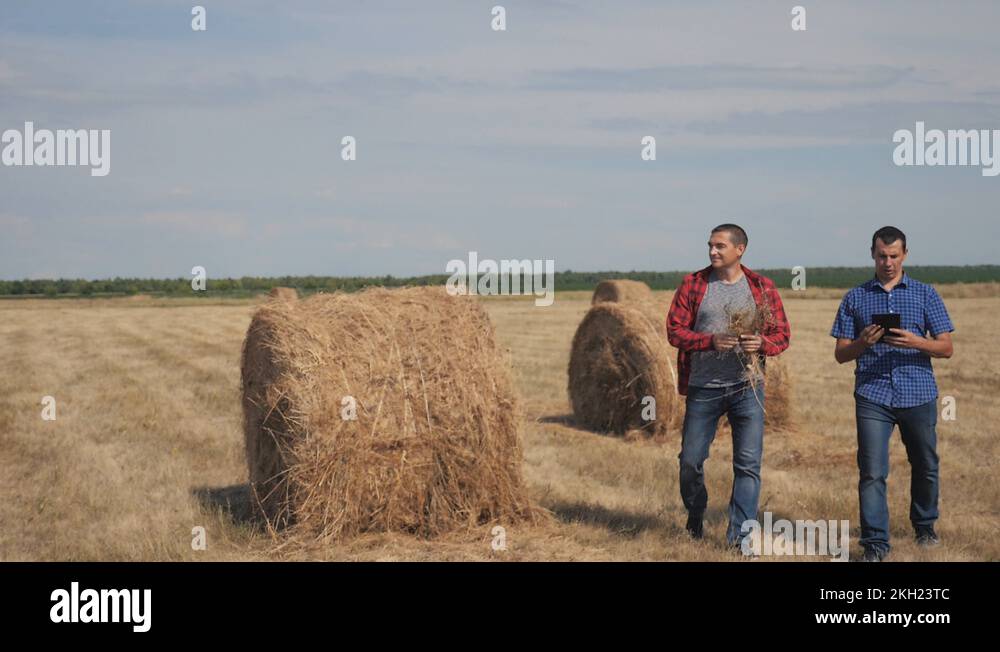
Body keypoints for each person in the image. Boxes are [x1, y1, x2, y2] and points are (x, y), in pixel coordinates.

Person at [831, 226, 954, 561]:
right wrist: (863, 343)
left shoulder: (926, 293)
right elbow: (841, 354)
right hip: (873, 394)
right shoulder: (855, 297)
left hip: (919, 393)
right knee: (872, 471)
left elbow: (946, 348)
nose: (888, 262)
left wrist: (916, 341)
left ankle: (925, 525)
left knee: (925, 464)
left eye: (894, 256)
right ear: (872, 253)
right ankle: (874, 544)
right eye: (882, 255)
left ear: (905, 255)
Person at [667, 224, 790, 548]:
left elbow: (782, 336)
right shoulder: (694, 284)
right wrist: (709, 341)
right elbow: (674, 332)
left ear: (740, 250)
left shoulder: (761, 287)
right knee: (690, 461)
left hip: (747, 388)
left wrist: (761, 342)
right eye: (710, 245)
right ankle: (696, 511)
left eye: (720, 246)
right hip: (704, 388)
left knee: (748, 466)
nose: (712, 251)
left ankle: (740, 538)